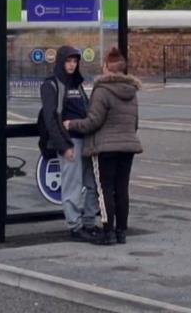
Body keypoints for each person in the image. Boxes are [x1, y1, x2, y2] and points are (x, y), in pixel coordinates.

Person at [64, 47, 142, 246]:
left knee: (105, 190)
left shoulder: (102, 91)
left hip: (105, 149)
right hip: (128, 146)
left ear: (107, 68)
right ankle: (121, 232)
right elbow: (135, 123)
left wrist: (71, 124)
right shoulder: (132, 92)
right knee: (121, 189)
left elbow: (93, 122)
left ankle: (108, 232)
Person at [38, 45, 100, 241]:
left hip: (86, 139)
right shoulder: (51, 84)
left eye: (74, 62)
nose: (72, 65)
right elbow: (51, 118)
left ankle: (89, 222)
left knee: (92, 184)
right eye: (68, 61)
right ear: (61, 62)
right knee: (72, 186)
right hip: (70, 141)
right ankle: (75, 226)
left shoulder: (77, 84)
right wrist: (64, 146)